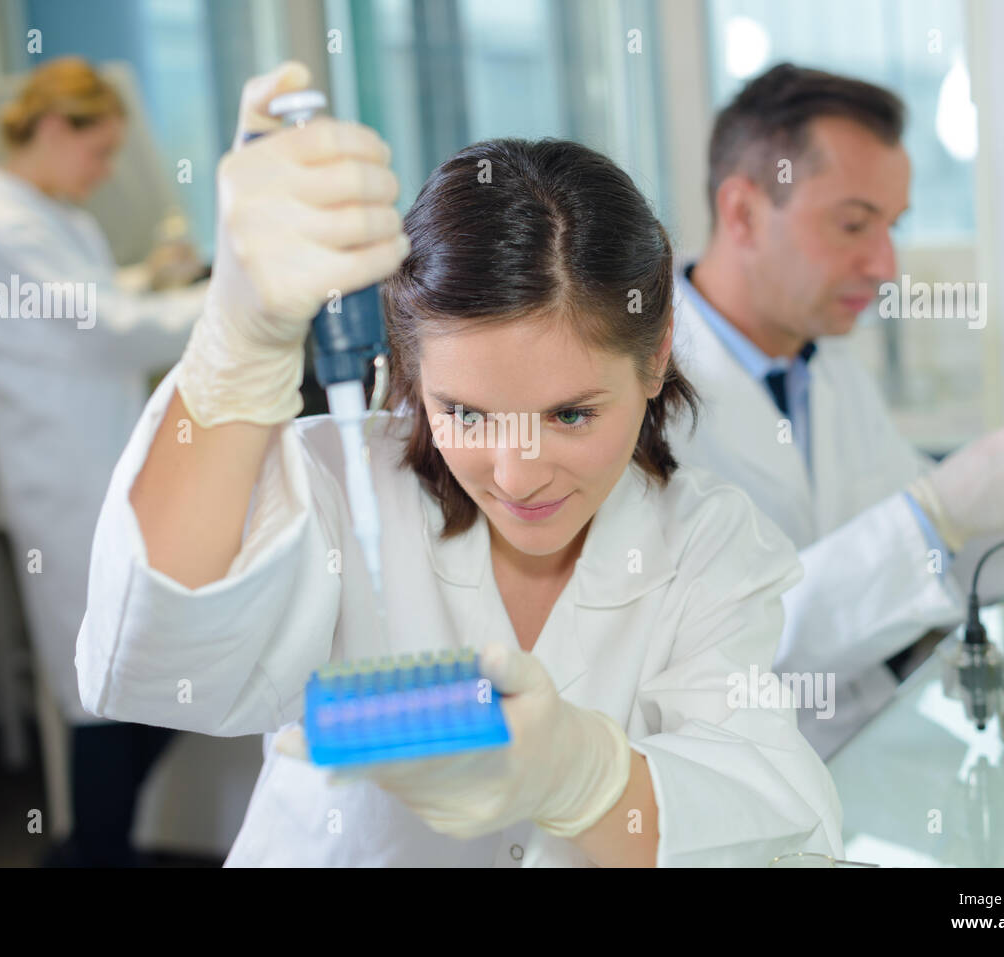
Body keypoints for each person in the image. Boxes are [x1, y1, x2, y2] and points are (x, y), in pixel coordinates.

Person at [74, 62, 843, 866]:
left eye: (570, 414)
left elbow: (777, 821)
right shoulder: (340, 482)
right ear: (408, 369)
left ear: (655, 357)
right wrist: (235, 343)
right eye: (466, 413)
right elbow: (153, 663)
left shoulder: (707, 544)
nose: (517, 475)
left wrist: (584, 775)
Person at [668, 63, 1004, 758]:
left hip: (869, 759)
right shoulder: (642, 393)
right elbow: (733, 646)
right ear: (743, 213)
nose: (885, 266)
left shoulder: (827, 370)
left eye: (893, 227)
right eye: (854, 224)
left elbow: (935, 554)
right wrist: (935, 508)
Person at [0, 56, 208, 865]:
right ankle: (92, 853)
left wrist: (147, 278)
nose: (102, 175)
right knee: (107, 688)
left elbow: (93, 305)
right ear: (56, 129)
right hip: (66, 489)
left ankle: (84, 851)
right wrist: (233, 296)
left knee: (153, 677)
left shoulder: (53, 215)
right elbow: (106, 330)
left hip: (108, 473)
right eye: (98, 153)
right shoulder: (4, 227)